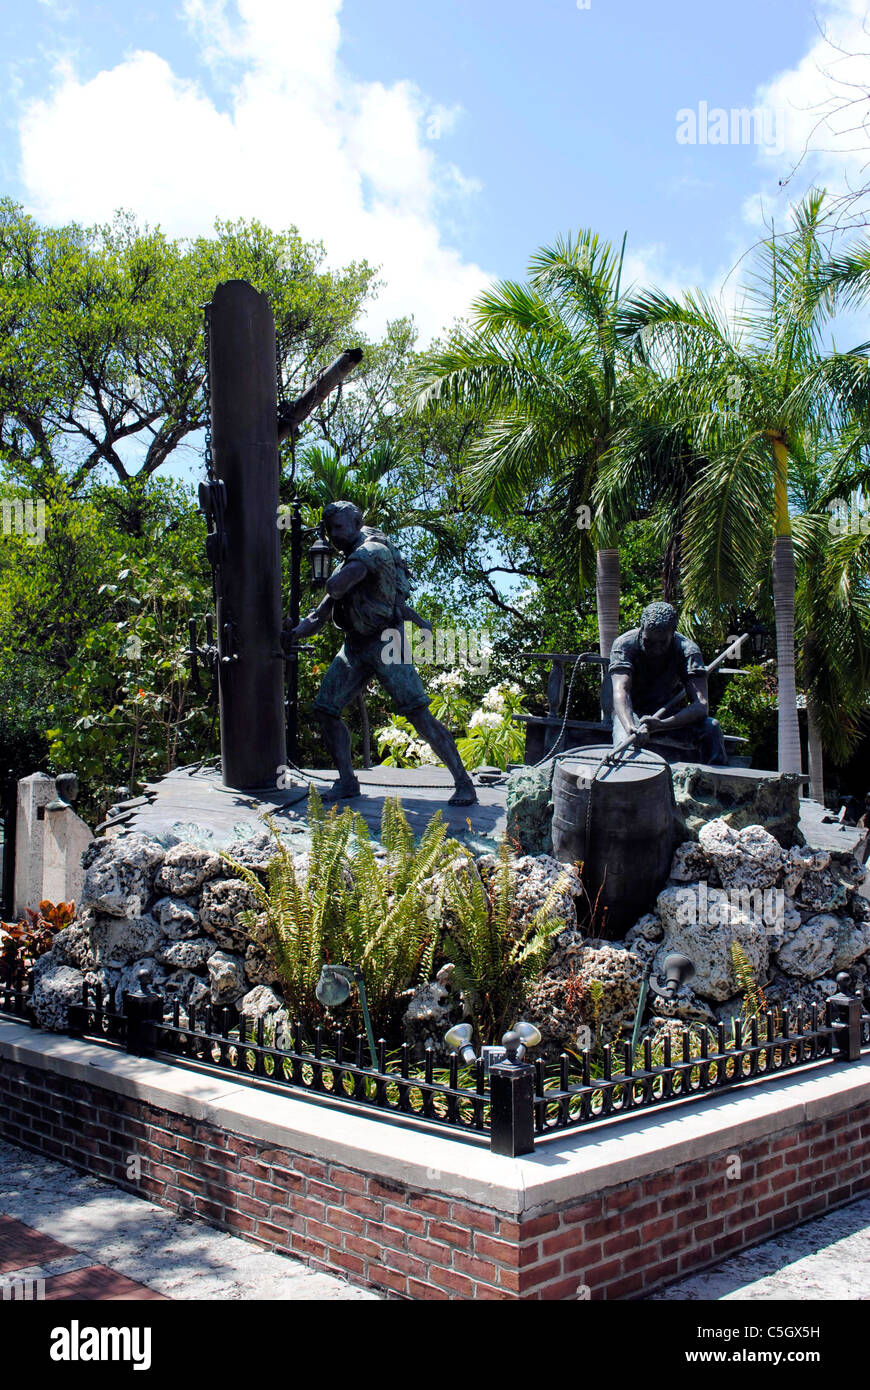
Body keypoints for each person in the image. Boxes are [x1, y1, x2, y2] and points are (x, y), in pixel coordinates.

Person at [284, 500, 477, 805]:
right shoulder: (347, 560)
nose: (332, 534)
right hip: (356, 646)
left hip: (388, 642)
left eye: (338, 527)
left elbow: (335, 588)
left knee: (418, 714)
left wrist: (321, 576)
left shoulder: (371, 552)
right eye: (328, 528)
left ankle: (464, 783)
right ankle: (347, 781)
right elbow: (319, 616)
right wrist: (290, 635)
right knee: (326, 708)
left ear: (356, 525)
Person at [608, 601, 727, 766]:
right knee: (624, 747)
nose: (656, 649)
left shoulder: (688, 651)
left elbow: (701, 706)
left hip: (668, 717)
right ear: (642, 629)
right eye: (649, 642)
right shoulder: (624, 645)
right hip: (631, 713)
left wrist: (661, 725)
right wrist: (630, 727)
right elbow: (621, 690)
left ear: (673, 633)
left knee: (711, 728)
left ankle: (716, 784)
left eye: (662, 643)